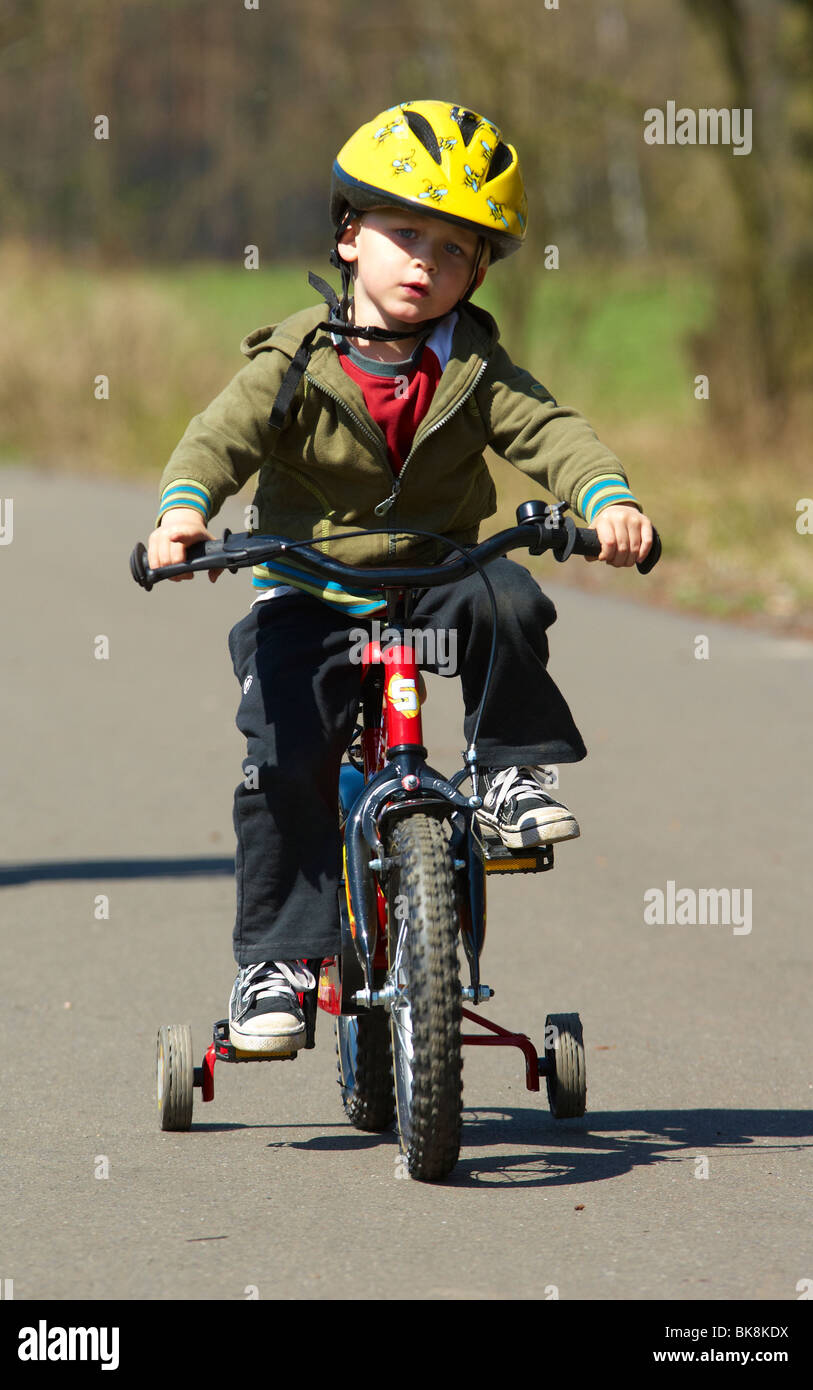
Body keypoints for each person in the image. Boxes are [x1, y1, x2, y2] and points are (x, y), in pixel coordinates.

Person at [146, 100, 653, 1054]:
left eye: (456, 250)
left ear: (479, 271)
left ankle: (507, 774)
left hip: (436, 577)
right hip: (311, 587)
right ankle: (280, 962)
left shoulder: (476, 364)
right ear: (349, 237)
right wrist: (184, 512)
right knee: (282, 757)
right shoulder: (294, 354)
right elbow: (221, 436)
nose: (427, 262)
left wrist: (607, 497)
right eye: (406, 234)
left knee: (510, 596)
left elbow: (552, 431)